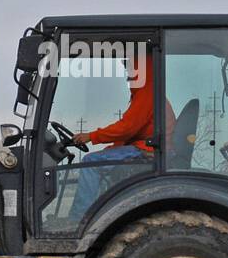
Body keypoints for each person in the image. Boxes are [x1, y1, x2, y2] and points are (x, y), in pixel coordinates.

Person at [69, 54, 172, 215]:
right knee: (100, 159)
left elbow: (127, 128)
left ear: (142, 69)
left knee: (90, 163)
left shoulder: (147, 92)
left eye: (131, 68)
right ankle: (99, 213)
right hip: (147, 147)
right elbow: (132, 132)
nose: (128, 74)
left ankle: (78, 217)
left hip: (149, 150)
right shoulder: (148, 92)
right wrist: (110, 149)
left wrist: (92, 136)